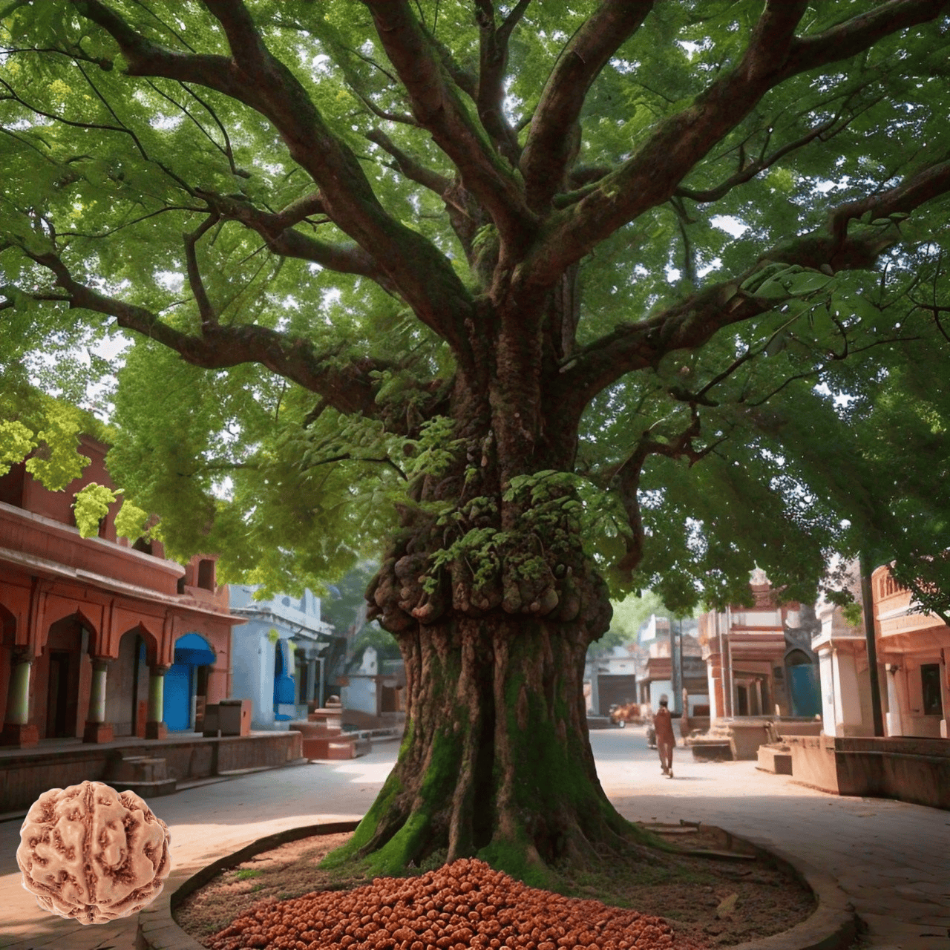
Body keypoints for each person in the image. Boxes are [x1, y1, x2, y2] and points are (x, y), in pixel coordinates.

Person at [653, 697, 676, 778]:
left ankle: (665, 768)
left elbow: (655, 724)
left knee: (661, 752)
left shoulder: (657, 712)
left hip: (660, 736)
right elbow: (670, 726)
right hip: (668, 735)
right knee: (669, 752)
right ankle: (669, 768)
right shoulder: (668, 712)